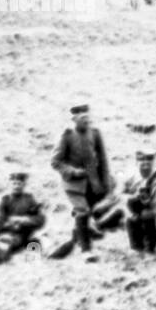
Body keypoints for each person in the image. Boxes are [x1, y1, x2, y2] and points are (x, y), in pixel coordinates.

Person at [49, 103, 112, 258]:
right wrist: (73, 171)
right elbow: (55, 161)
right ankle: (86, 251)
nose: (86, 121)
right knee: (82, 211)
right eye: (82, 118)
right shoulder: (67, 136)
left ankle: (72, 241)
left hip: (93, 183)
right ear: (74, 119)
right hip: (73, 184)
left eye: (88, 117)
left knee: (89, 213)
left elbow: (103, 160)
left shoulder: (95, 133)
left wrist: (105, 183)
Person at [0, 171, 46, 262]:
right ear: (10, 184)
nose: (17, 186)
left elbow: (40, 219)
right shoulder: (3, 200)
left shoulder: (29, 199)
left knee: (35, 243)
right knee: (5, 241)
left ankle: (32, 262)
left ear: (24, 185)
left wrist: (23, 220)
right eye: (14, 183)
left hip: (24, 234)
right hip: (6, 234)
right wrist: (10, 224)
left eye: (19, 183)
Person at [121, 151, 156, 253]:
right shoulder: (129, 175)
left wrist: (153, 209)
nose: (145, 165)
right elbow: (121, 195)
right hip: (132, 204)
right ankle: (136, 246)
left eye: (148, 162)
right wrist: (129, 212)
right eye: (142, 162)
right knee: (132, 218)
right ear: (137, 163)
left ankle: (151, 247)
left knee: (148, 216)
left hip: (150, 205)